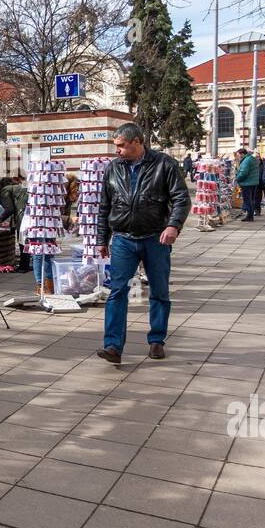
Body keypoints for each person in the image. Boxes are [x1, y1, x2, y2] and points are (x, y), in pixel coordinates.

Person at [97, 123, 190, 366]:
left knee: (159, 291)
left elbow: (181, 198)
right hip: (123, 239)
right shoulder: (113, 169)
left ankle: (157, 340)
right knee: (117, 292)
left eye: (121, 146)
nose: (117, 150)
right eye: (115, 145)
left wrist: (173, 226)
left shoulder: (164, 164)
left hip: (155, 238)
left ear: (137, 142)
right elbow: (104, 206)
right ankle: (113, 346)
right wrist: (101, 239)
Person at [0, 175, 29, 273]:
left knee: (22, 239)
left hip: (23, 214)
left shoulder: (5, 190)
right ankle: (26, 264)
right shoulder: (16, 188)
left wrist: (0, 219)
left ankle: (24, 266)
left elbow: (10, 209)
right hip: (29, 212)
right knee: (28, 240)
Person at [234, 147, 261, 221]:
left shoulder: (246, 160)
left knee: (248, 200)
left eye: (238, 155)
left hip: (247, 183)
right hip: (253, 182)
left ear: (242, 154)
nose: (238, 157)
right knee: (251, 199)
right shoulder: (252, 159)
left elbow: (243, 173)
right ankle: (250, 215)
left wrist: (237, 178)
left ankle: (249, 216)